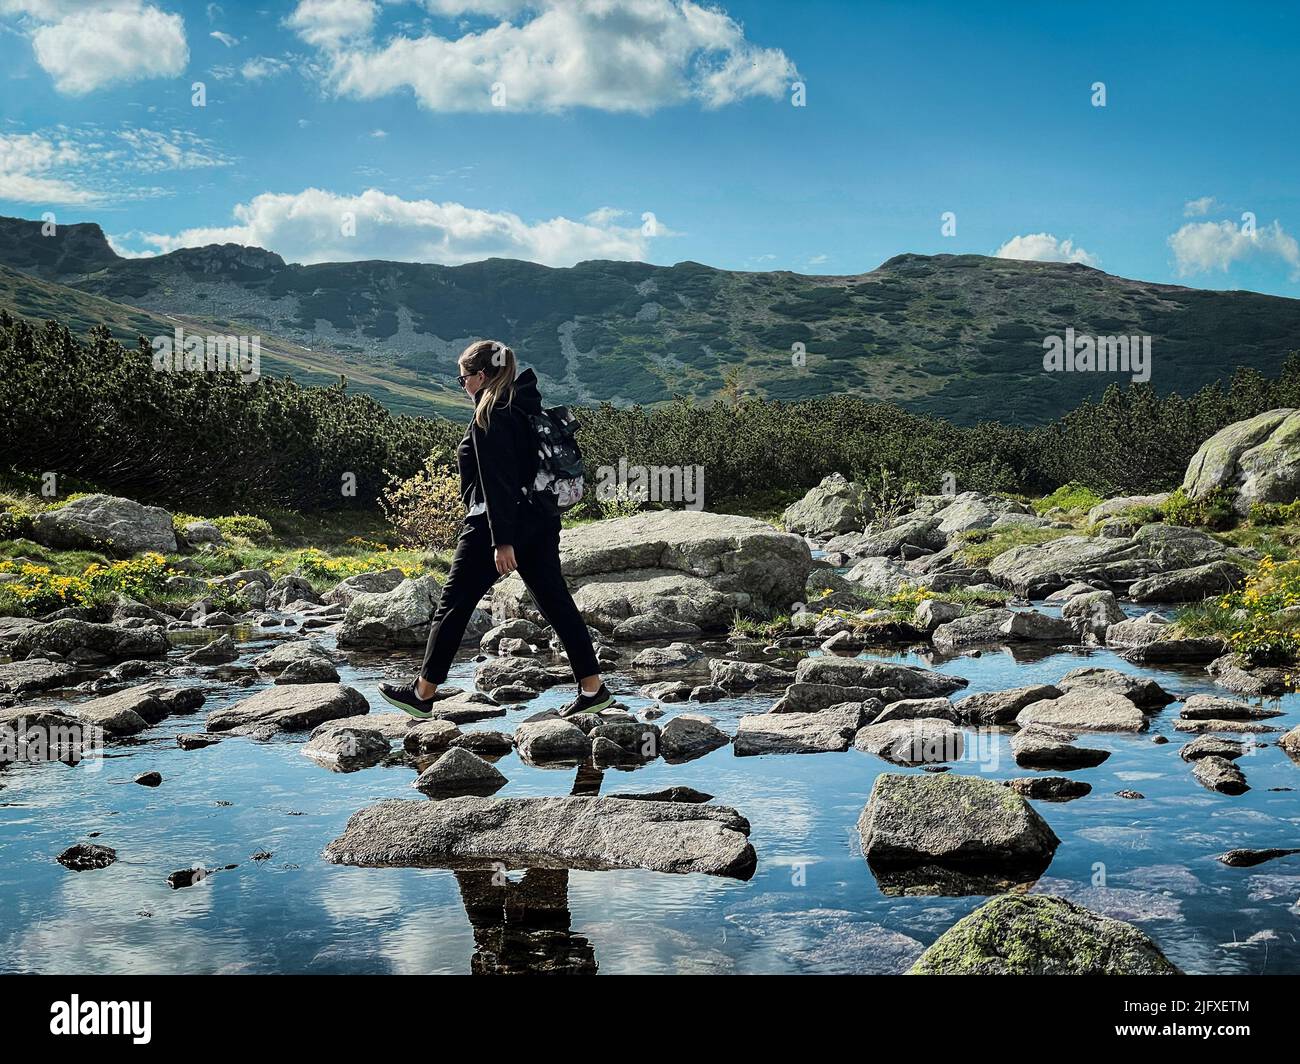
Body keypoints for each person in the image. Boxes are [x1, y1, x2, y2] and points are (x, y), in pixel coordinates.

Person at [379, 339, 612, 719]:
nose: (463, 385)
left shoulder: (492, 414)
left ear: (482, 376)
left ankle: (422, 694)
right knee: (556, 604)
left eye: (463, 378)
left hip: (496, 524)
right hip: (540, 520)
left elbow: (497, 482)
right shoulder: (523, 405)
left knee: (453, 606)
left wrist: (501, 540)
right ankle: (593, 688)